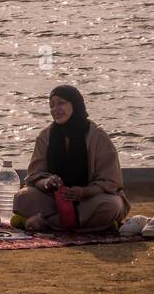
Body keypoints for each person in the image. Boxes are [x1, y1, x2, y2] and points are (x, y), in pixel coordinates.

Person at [12, 85, 130, 233]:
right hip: (54, 200)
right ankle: (94, 226)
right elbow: (34, 176)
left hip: (89, 201)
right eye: (52, 105)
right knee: (22, 198)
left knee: (112, 205)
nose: (56, 109)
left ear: (75, 104)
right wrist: (47, 182)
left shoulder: (97, 136)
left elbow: (110, 182)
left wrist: (84, 192)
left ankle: (47, 223)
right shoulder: (45, 136)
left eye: (61, 103)